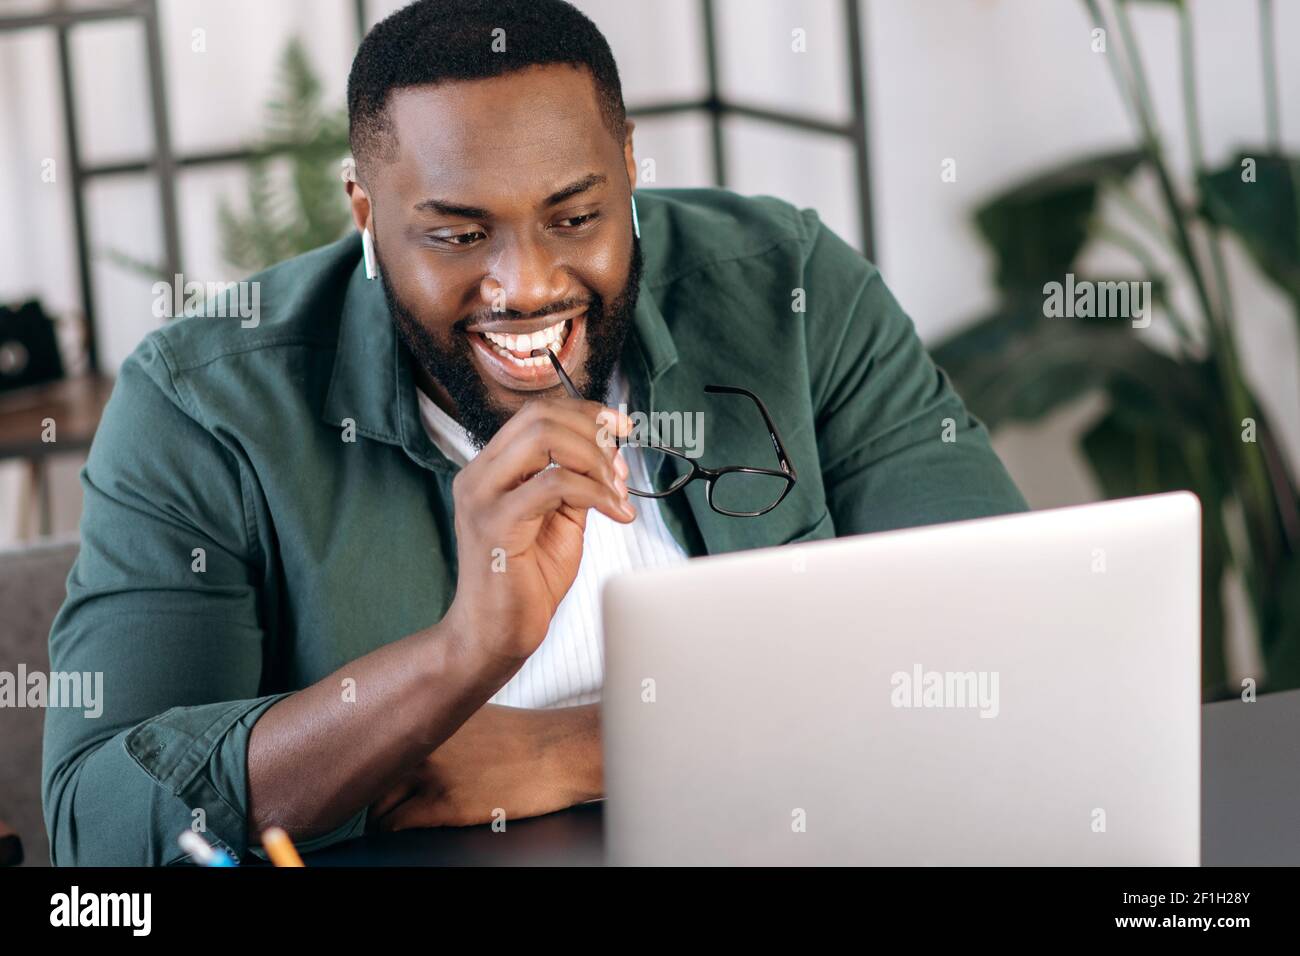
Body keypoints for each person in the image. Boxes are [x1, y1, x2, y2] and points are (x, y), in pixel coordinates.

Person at [43, 0, 1026, 865]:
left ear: (629, 165)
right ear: (364, 212)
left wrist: (577, 749)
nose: (527, 287)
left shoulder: (792, 291)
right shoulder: (202, 401)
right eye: (458, 235)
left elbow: (1003, 647)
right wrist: (461, 654)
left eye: (575, 215)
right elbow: (99, 824)